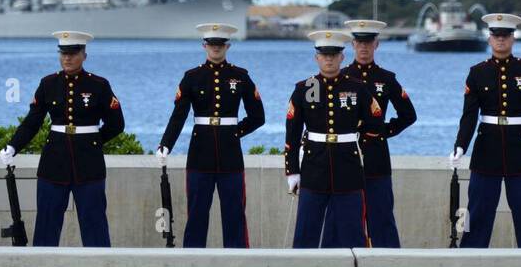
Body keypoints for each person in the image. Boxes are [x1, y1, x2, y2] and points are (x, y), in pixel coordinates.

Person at [1, 31, 124, 247]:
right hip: (53, 163)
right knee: (47, 224)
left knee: (94, 224)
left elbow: (117, 124)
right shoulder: (48, 84)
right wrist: (13, 146)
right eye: (63, 53)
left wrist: (93, 143)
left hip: (89, 165)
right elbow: (33, 121)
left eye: (73, 53)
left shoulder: (99, 85)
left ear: (84, 55)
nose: (67, 58)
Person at [452, 13, 521, 248]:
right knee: (477, 211)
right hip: (486, 149)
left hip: (520, 149)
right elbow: (469, 115)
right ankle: (470, 259)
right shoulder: (477, 72)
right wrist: (460, 145)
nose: (500, 40)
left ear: (513, 39)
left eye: (505, 36)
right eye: (496, 36)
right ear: (489, 39)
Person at [156, 23, 265, 248]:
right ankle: (192, 261)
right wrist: (166, 144)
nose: (216, 48)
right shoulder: (192, 77)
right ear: (204, 46)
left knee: (234, 213)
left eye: (220, 44)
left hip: (230, 155)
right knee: (196, 213)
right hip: (200, 153)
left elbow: (258, 116)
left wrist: (235, 133)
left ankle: (238, 262)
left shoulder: (240, 76)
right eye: (212, 44)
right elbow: (178, 116)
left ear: (228, 46)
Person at [318, 19, 416, 247]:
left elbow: (408, 115)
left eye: (368, 43)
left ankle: (389, 265)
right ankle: (332, 262)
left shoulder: (386, 79)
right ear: (352, 44)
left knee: (381, 215)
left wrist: (381, 132)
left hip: (375, 156)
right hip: (343, 156)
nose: (364, 48)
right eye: (359, 43)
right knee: (337, 216)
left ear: (376, 45)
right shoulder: (339, 77)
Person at [284, 30, 381, 248]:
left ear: (342, 57)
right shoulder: (304, 88)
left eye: (334, 54)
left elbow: (374, 125)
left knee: (352, 230)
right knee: (306, 230)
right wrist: (292, 170)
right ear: (316, 57)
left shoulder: (357, 88)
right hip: (313, 166)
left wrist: (357, 148)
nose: (329, 59)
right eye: (324, 54)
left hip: (348, 166)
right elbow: (292, 132)